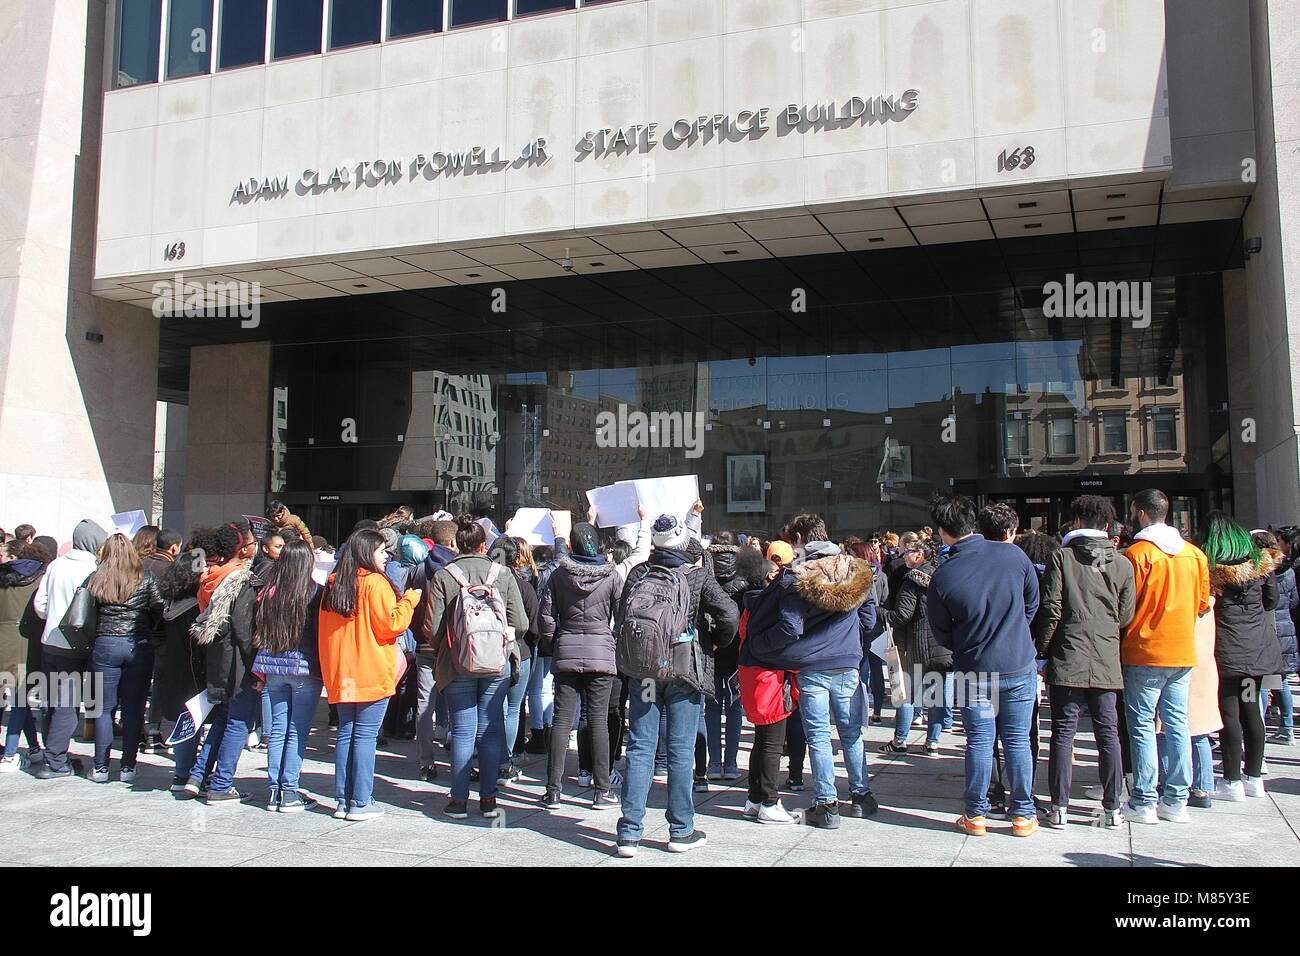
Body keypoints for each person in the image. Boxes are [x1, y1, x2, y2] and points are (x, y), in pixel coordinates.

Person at [613, 514, 737, 856]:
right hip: (683, 673)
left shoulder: (640, 574)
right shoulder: (697, 577)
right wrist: (712, 641)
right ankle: (681, 830)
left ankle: (629, 833)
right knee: (681, 750)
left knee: (641, 747)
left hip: (647, 675)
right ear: (684, 544)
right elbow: (729, 615)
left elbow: (623, 617)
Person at [743, 513, 877, 830]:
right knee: (851, 733)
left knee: (818, 736)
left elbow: (791, 626)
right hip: (847, 661)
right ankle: (861, 796)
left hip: (812, 664)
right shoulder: (856, 569)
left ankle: (827, 804)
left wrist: (761, 644)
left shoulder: (798, 575)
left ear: (800, 540)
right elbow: (870, 620)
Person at [926, 495, 1040, 837]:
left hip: (974, 667)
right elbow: (1032, 604)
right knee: (1018, 740)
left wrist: (971, 642)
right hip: (1019, 662)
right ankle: (1023, 814)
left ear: (943, 532)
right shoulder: (1014, 555)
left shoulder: (944, 575)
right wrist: (1013, 631)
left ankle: (976, 814)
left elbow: (941, 631)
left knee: (979, 740)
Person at [1034, 495, 1135, 829]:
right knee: (1109, 734)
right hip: (1106, 655)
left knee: (1063, 732)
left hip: (1067, 654)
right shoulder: (1122, 563)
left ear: (1076, 522)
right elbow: (1125, 614)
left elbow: (1052, 609)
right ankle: (1113, 808)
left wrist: (1044, 651)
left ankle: (1059, 807)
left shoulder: (1062, 557)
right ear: (1107, 526)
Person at [425, 517, 526, 819]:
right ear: (484, 545)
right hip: (497, 662)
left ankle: (458, 800)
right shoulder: (503, 574)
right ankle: (489, 799)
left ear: (457, 544)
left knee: (463, 729)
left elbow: (432, 628)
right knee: (491, 729)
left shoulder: (444, 576)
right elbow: (520, 623)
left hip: (458, 664)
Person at [1120, 489, 1211, 824]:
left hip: (1144, 650)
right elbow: (1203, 604)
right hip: (1182, 649)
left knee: (1142, 725)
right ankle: (1176, 800)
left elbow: (1124, 607)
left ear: (1141, 513)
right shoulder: (1194, 555)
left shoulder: (1136, 555)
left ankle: (1144, 799)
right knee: (1177, 724)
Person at [320, 528, 420, 820]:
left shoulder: (333, 583)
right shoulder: (375, 584)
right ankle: (361, 801)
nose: (387, 557)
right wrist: (409, 601)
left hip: (342, 671)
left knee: (346, 734)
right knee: (364, 736)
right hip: (371, 670)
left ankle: (343, 800)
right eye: (381, 552)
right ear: (366, 553)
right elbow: (391, 625)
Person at [537, 520, 623, 811]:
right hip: (601, 653)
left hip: (566, 651)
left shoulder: (559, 576)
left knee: (562, 721)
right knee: (599, 722)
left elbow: (546, 616)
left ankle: (553, 792)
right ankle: (602, 791)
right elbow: (622, 613)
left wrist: (552, 641)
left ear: (571, 545)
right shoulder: (611, 576)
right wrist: (612, 638)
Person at [1202, 512, 1283, 800]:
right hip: (1259, 652)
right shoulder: (1262, 566)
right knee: (1252, 711)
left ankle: (1232, 779)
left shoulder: (1210, 570)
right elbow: (1271, 601)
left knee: (1229, 714)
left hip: (1227, 653)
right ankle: (1254, 777)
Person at [84, 533, 165, 782]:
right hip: (137, 643)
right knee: (134, 709)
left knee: (104, 709)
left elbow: (86, 614)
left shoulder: (95, 578)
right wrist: (147, 629)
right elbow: (160, 608)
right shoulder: (145, 577)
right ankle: (128, 766)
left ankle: (100, 766)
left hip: (104, 642)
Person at [33, 519, 108, 780]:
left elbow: (40, 604)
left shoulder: (55, 565)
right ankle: (55, 760)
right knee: (68, 704)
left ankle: (52, 752)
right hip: (75, 645)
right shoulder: (94, 569)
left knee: (52, 701)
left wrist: (53, 617)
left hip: (50, 641)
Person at [252, 539, 323, 812]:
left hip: (272, 668)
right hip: (304, 667)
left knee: (279, 729)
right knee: (297, 730)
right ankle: (290, 790)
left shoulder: (270, 592)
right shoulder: (314, 593)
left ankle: (274, 791)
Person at [193, 526, 261, 804]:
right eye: (252, 542)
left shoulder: (209, 577)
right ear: (241, 549)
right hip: (236, 661)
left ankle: (197, 775)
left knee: (223, 717)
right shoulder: (239, 580)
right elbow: (244, 631)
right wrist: (256, 666)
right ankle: (221, 783)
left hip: (216, 657)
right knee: (238, 721)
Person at [737, 549, 799, 823]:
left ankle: (754, 799)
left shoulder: (750, 604)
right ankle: (770, 803)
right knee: (773, 743)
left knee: (762, 741)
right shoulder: (769, 605)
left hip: (752, 674)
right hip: (770, 678)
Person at [880, 539, 951, 756]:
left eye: (908, 552)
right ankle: (933, 742)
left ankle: (900, 740)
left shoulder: (912, 580)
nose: (903, 556)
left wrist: (881, 613)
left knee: (906, 695)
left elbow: (901, 615)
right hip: (941, 646)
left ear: (920, 554)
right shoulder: (944, 577)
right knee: (936, 697)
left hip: (915, 646)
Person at [154, 538, 209, 791]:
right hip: (192, 673)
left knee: (182, 720)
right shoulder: (193, 610)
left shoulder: (168, 605)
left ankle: (181, 771)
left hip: (170, 670)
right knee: (191, 720)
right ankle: (186, 773)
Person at [488, 535, 537, 784]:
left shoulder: (482, 580)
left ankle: (491, 759)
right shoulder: (523, 585)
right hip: (520, 650)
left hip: (486, 650)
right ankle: (505, 763)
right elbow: (529, 624)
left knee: (493, 708)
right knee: (513, 709)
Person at [0, 540, 52, 771]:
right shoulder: (41, 578)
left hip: (3, 639)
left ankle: (33, 748)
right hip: (29, 642)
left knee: (9, 698)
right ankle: (11, 754)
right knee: (20, 699)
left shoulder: (2, 578)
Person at [414, 519, 458, 780]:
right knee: (458, 705)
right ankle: (459, 759)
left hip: (425, 644)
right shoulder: (456, 571)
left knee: (424, 703)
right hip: (452, 646)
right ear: (452, 542)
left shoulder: (418, 570)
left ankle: (425, 761)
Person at [1253, 531, 1297, 743]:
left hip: (1266, 630)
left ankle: (1258, 731)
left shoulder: (1259, 571)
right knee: (1281, 679)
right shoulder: (1288, 571)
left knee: (1261, 683)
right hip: (1285, 628)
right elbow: (1294, 601)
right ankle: (1287, 726)